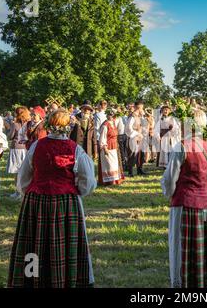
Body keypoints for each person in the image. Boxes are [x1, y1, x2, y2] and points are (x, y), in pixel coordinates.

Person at [8, 109, 97, 288]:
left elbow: (24, 176)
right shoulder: (75, 149)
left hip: (36, 202)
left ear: (49, 124)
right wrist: (75, 190)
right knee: (64, 246)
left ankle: (32, 279)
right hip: (66, 203)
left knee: (34, 243)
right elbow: (88, 181)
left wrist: (31, 191)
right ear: (68, 127)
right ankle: (65, 279)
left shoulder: (36, 146)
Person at [161, 109, 207, 288]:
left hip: (187, 204)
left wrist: (169, 194)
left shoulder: (181, 147)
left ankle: (187, 283)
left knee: (185, 248)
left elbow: (169, 180)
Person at [7, 106, 31, 199]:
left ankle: (17, 192)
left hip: (17, 148)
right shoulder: (29, 124)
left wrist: (9, 130)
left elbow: (10, 136)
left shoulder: (15, 124)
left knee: (17, 171)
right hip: (26, 148)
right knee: (25, 170)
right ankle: (24, 190)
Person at [98, 109, 125, 186]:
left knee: (114, 164)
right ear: (107, 115)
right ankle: (109, 181)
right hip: (108, 145)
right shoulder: (105, 125)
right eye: (110, 115)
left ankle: (115, 179)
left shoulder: (113, 123)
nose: (111, 116)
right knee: (109, 164)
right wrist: (104, 147)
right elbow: (102, 138)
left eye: (113, 115)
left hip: (114, 145)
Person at [125, 101, 147, 176]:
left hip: (140, 137)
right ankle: (130, 171)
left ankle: (139, 169)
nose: (143, 110)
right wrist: (137, 133)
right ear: (139, 108)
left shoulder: (140, 116)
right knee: (132, 153)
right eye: (142, 108)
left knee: (140, 154)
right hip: (133, 137)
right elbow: (128, 128)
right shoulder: (132, 117)